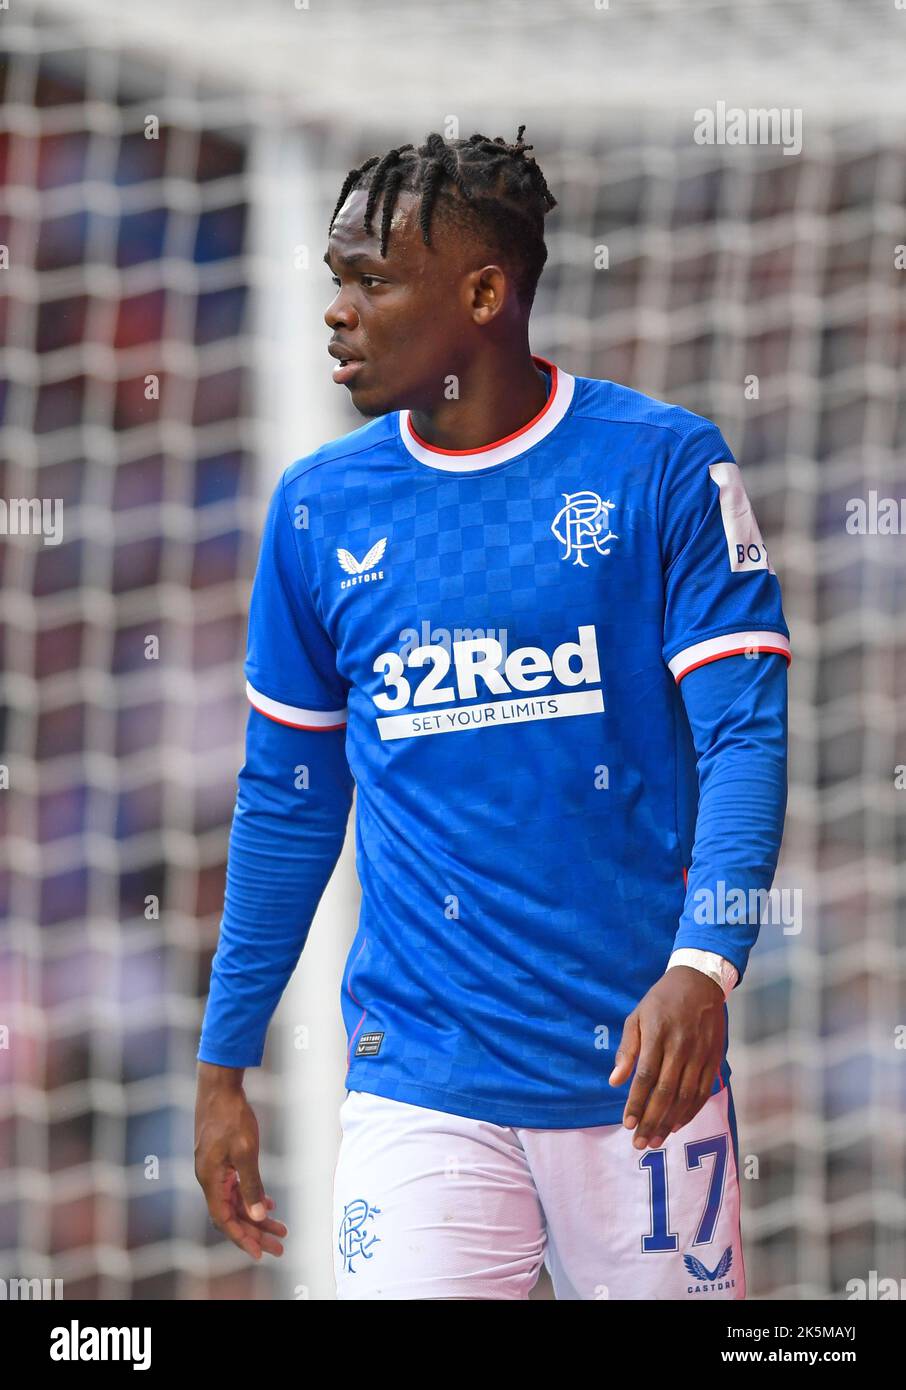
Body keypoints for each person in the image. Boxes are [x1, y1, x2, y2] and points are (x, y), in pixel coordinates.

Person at [194, 127, 790, 1300]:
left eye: (373, 282)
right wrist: (225, 1060)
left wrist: (705, 967)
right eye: (337, 283)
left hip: (639, 1082)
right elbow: (291, 800)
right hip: (420, 1083)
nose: (339, 312)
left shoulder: (661, 468)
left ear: (483, 293)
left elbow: (744, 736)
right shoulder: (320, 511)